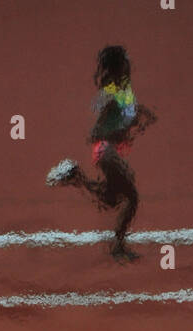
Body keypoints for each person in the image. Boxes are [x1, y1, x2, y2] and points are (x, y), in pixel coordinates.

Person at [47, 45, 156, 263]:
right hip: (107, 152)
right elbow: (103, 123)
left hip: (108, 151)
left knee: (111, 199)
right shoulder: (113, 91)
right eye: (125, 61)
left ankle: (75, 176)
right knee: (131, 198)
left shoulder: (121, 88)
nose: (129, 64)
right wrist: (127, 126)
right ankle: (117, 247)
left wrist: (139, 114)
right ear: (118, 66)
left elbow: (124, 112)